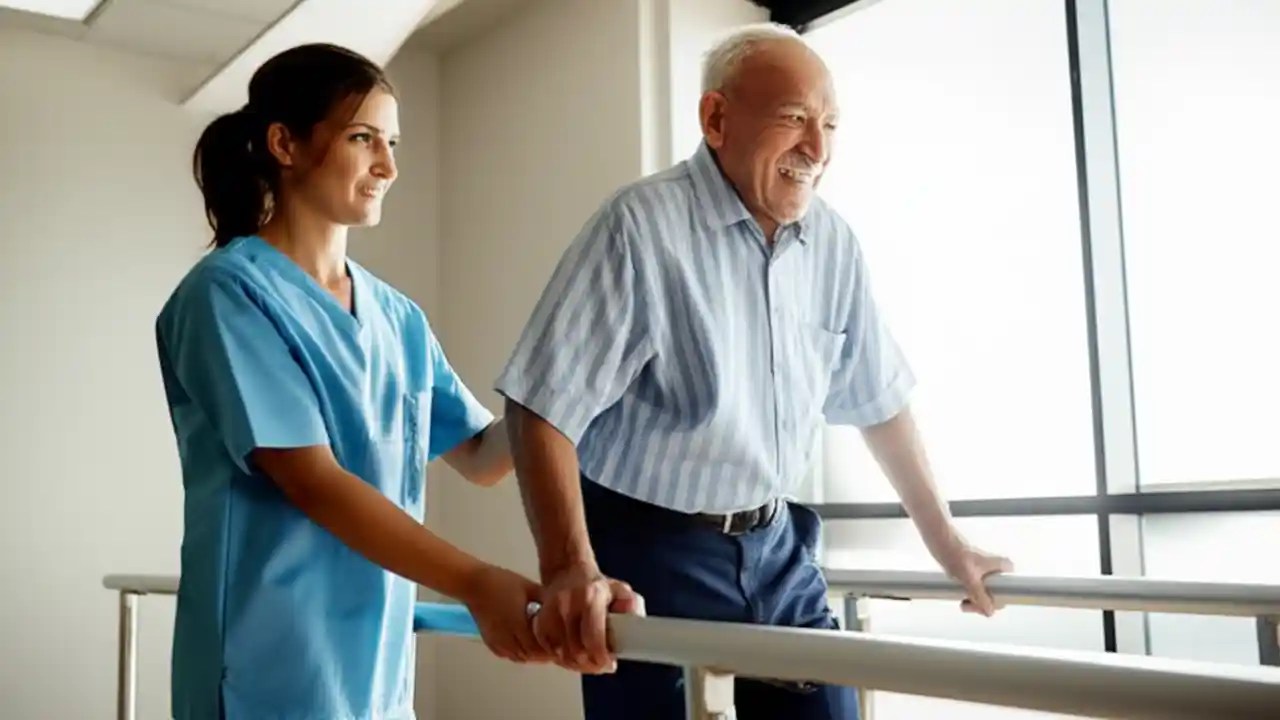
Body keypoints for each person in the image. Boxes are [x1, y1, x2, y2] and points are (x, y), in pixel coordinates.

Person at [496, 23, 1014, 719]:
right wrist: (568, 568)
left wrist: (950, 547)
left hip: (779, 547)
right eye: (795, 118)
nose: (819, 149)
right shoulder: (640, 227)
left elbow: (880, 401)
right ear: (716, 119)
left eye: (830, 124)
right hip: (652, 553)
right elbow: (540, 405)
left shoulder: (832, 242)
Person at [155, 43, 547, 720]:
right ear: (284, 143)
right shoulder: (228, 296)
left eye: (392, 142)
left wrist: (574, 382)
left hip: (376, 674)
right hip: (265, 665)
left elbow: (483, 458)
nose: (388, 167)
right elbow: (311, 478)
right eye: (363, 138)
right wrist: (479, 583)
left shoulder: (398, 317)